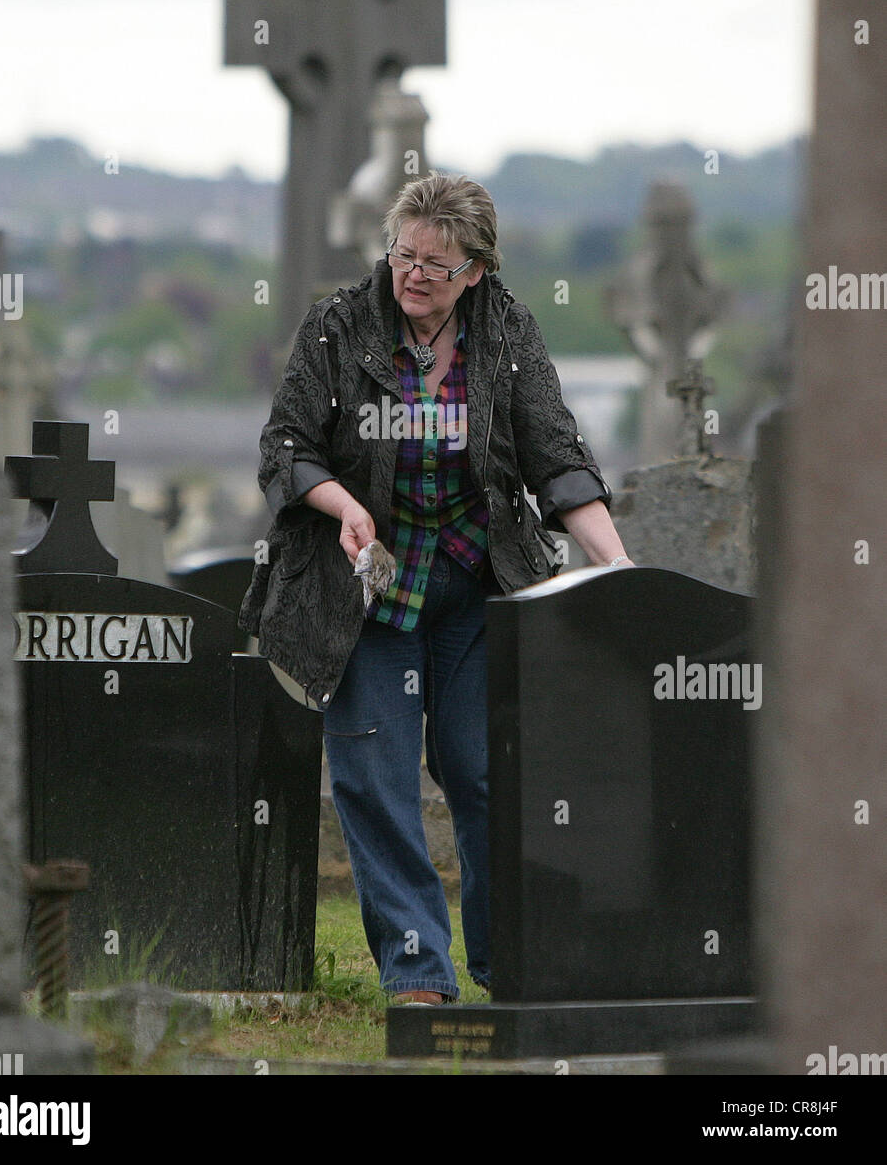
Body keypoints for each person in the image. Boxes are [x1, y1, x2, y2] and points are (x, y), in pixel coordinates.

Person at [238, 171, 634, 1005]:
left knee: (486, 773)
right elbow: (283, 446)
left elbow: (554, 455)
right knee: (375, 779)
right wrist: (344, 504)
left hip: (474, 586)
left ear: (476, 272)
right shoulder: (338, 327)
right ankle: (420, 975)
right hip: (363, 595)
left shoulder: (509, 331)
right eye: (403, 255)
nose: (413, 274)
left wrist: (616, 564)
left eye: (435, 264)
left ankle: (509, 962)